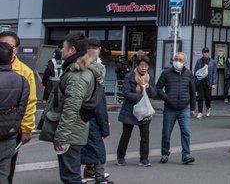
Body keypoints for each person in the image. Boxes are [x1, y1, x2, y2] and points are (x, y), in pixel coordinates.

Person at [38, 31, 97, 184]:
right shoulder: (74, 69)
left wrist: (62, 138)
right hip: (74, 131)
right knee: (70, 176)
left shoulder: (77, 74)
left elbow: (72, 108)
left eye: (64, 46)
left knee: (71, 177)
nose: (61, 49)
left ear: (72, 50)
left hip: (71, 133)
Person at [0, 30, 37, 183]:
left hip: (11, 130)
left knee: (6, 170)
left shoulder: (25, 72)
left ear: (16, 49)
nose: (4, 49)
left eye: (8, 46)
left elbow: (30, 102)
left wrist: (27, 129)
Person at [116, 53, 157, 168]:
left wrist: (148, 88)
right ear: (137, 66)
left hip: (144, 110)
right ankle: (120, 157)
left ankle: (144, 158)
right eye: (142, 65)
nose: (144, 68)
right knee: (126, 135)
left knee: (145, 135)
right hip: (130, 110)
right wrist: (140, 97)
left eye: (146, 66)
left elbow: (154, 94)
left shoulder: (149, 78)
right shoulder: (130, 76)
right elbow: (126, 92)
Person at [156, 52, 196, 165]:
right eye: (176, 59)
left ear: (185, 62)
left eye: (180, 60)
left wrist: (193, 107)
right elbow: (158, 88)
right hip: (170, 108)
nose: (177, 62)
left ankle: (186, 154)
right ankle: (165, 153)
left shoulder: (189, 74)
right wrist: (166, 97)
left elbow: (193, 92)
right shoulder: (166, 73)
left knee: (186, 132)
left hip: (184, 108)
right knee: (166, 132)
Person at [81, 39, 111, 184]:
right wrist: (105, 127)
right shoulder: (94, 74)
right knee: (97, 148)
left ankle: (88, 171)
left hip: (80, 116)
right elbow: (99, 108)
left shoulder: (76, 67)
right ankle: (98, 176)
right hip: (90, 116)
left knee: (81, 147)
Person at [193, 47, 216, 118]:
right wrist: (195, 81)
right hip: (200, 81)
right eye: (204, 52)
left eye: (206, 52)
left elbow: (214, 73)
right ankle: (200, 112)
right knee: (200, 97)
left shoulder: (212, 61)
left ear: (208, 53)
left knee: (208, 98)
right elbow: (195, 71)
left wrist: (214, 83)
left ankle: (208, 108)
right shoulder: (199, 61)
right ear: (202, 53)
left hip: (208, 82)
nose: (205, 54)